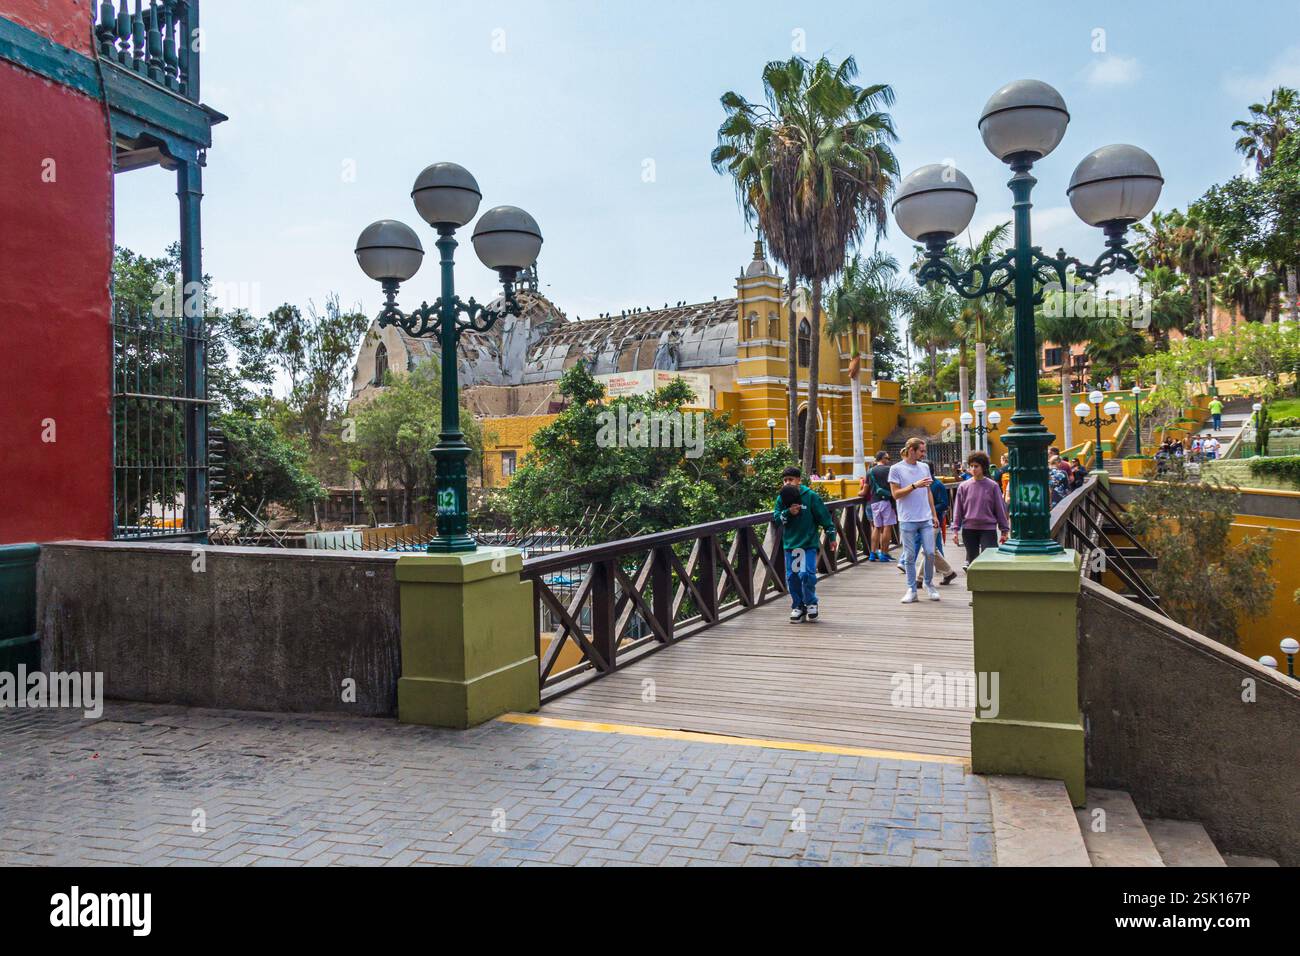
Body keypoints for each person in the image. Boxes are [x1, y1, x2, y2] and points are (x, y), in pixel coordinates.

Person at [773, 466, 836, 623]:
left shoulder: (810, 496)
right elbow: (777, 519)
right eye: (785, 480)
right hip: (791, 546)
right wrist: (788, 513)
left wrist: (832, 536)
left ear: (799, 480)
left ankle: (811, 603)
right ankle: (798, 606)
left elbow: (824, 517)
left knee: (807, 574)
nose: (788, 483)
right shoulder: (782, 498)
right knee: (793, 577)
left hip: (808, 544)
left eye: (791, 480)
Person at [888, 437, 942, 604]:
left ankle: (928, 583)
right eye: (921, 451)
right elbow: (895, 495)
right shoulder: (896, 469)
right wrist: (914, 486)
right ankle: (911, 589)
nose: (924, 454)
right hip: (907, 519)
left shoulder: (924, 467)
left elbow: (928, 492)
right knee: (910, 556)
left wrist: (934, 514)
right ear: (911, 450)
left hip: (925, 517)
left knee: (930, 552)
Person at [951, 451, 1010, 570]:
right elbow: (958, 510)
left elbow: (1000, 508)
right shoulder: (963, 486)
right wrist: (955, 530)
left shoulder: (992, 486)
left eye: (976, 466)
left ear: (983, 467)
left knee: (989, 561)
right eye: (971, 466)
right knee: (973, 563)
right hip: (969, 529)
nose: (973, 469)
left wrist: (1004, 530)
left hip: (987, 529)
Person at [864, 450, 896, 562]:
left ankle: (872, 553)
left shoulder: (870, 471)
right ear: (882, 458)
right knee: (887, 526)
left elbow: (865, 490)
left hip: (874, 502)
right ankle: (884, 553)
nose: (888, 460)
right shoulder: (890, 470)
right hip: (887, 501)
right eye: (887, 458)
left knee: (877, 527)